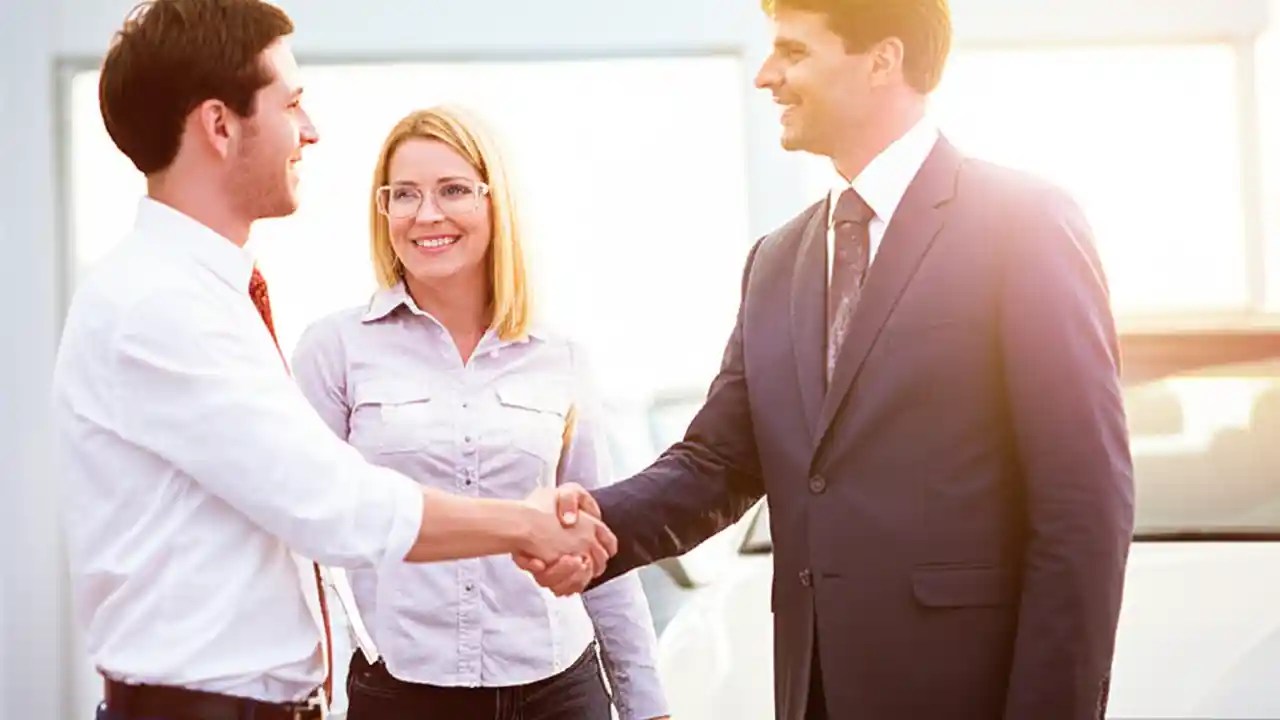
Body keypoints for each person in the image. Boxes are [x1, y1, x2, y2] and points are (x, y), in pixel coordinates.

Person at [522, 1, 1136, 718]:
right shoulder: (777, 260)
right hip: (814, 690)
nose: (766, 76)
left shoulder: (1024, 222)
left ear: (883, 60)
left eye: (794, 52)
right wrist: (592, 520)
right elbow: (719, 462)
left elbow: (1083, 507)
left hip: (968, 691)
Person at [51, 3, 612, 719]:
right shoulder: (156, 307)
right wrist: (525, 524)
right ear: (220, 126)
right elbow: (336, 507)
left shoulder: (205, 295)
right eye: (291, 104)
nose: (309, 131)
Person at [290, 105, 670, 720]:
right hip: (400, 693)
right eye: (404, 194)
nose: (427, 214)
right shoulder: (334, 349)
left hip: (560, 692)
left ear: (495, 203)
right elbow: (303, 539)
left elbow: (605, 546)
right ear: (382, 209)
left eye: (454, 190)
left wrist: (646, 706)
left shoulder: (561, 357)